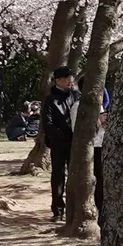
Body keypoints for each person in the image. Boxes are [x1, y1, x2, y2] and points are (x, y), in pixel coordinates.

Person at [44, 65, 80, 219]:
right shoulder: (50, 99)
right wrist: (60, 136)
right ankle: (58, 210)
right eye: (66, 78)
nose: (69, 81)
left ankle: (75, 208)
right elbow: (48, 123)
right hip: (59, 143)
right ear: (58, 80)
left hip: (76, 142)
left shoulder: (76, 95)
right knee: (58, 176)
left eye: (70, 77)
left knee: (77, 175)